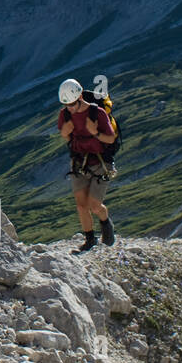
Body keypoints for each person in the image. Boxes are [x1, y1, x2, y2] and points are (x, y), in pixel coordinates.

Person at [57, 78, 116, 252]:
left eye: (74, 104)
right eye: (67, 105)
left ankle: (105, 223)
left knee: (95, 205)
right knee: (81, 204)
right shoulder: (65, 114)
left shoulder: (97, 113)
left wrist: (95, 133)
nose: (71, 108)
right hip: (79, 162)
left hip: (100, 162)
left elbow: (111, 138)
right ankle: (90, 240)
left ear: (80, 96)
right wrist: (65, 134)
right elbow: (67, 136)